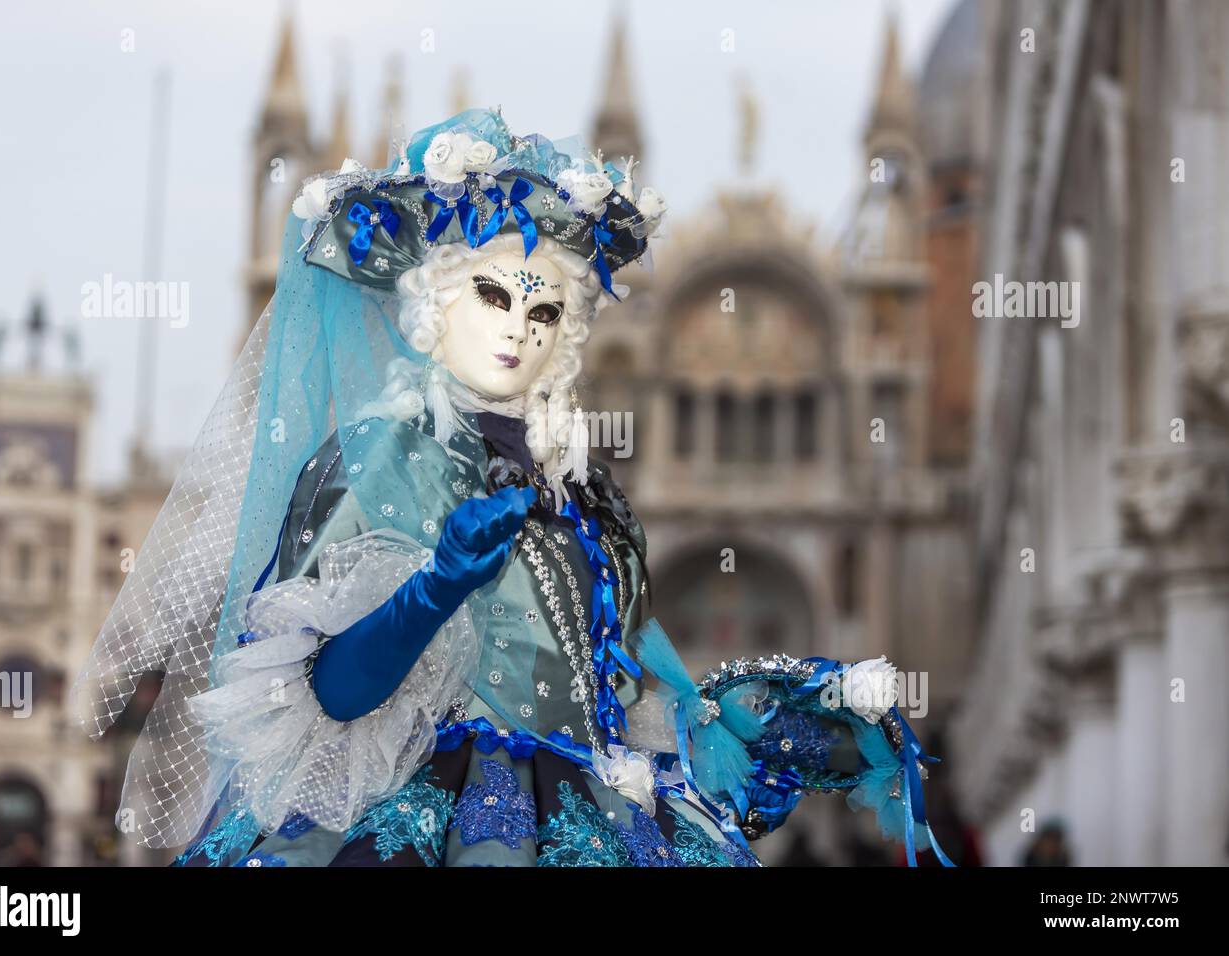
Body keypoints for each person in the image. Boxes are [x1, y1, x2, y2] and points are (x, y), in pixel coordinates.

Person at [71, 108, 951, 867]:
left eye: (544, 313)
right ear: (434, 302)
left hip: (593, 808)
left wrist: (777, 717)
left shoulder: (585, 494)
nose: (517, 333)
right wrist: (436, 587)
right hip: (421, 808)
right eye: (493, 297)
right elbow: (331, 694)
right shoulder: (382, 458)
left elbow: (631, 701)